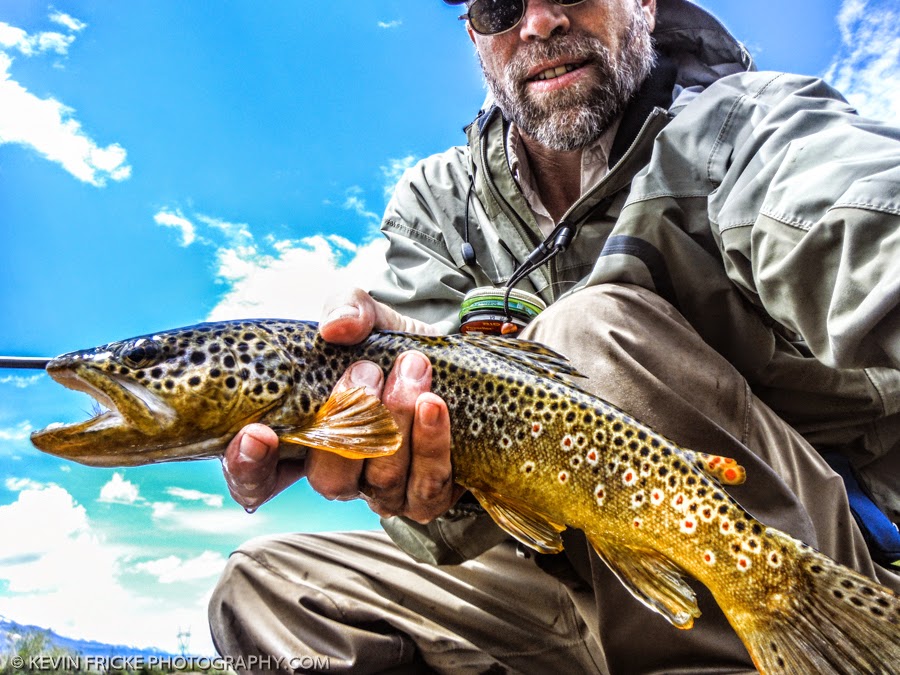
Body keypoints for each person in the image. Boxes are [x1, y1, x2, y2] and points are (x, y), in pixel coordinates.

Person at [209, 0, 900, 672]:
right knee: (269, 590)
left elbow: (862, 218)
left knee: (584, 332)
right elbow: (449, 527)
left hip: (797, 563)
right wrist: (404, 444)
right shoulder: (436, 204)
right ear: (473, 35)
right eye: (499, 7)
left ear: (647, 5)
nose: (539, 22)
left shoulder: (744, 126)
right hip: (569, 578)